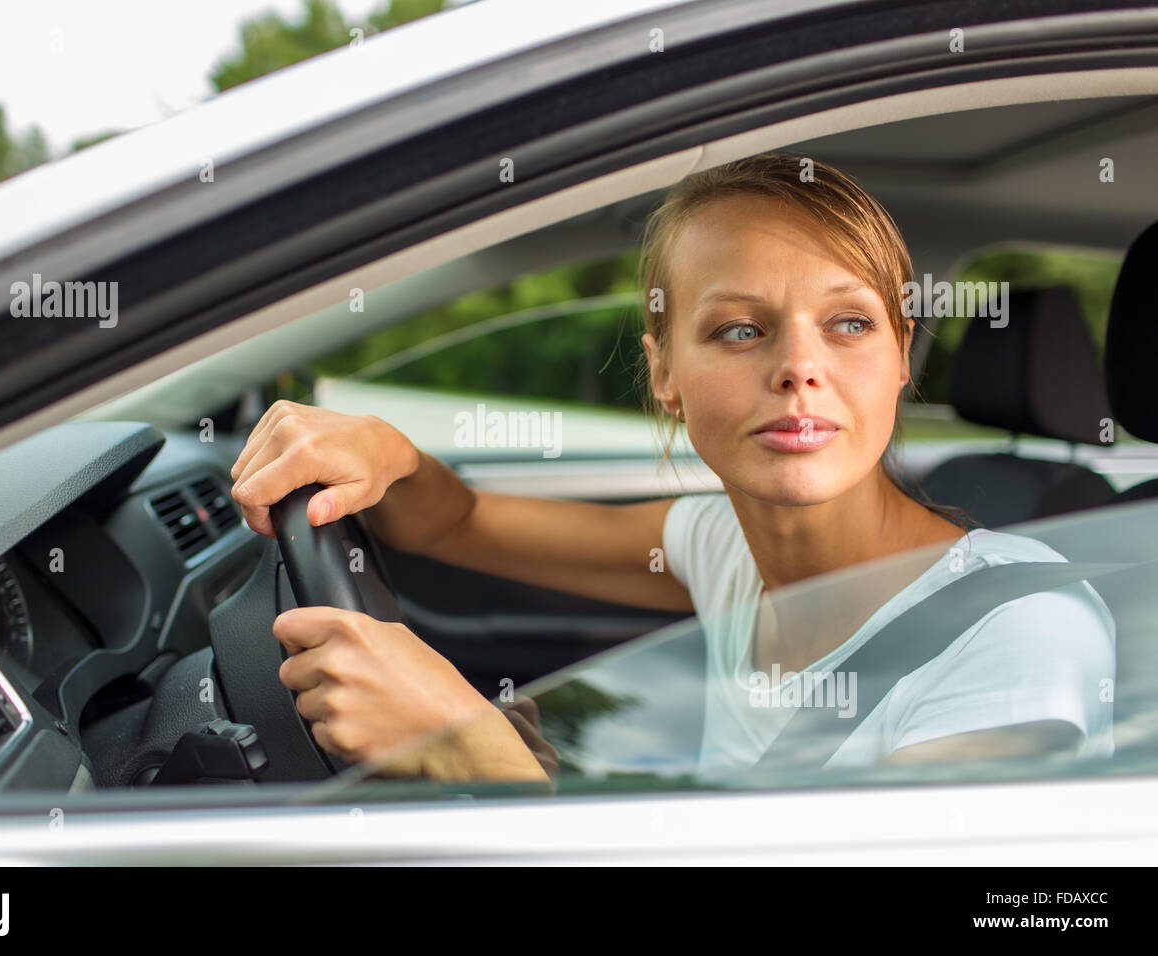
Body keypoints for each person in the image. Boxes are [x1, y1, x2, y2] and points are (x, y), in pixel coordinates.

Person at [228, 152, 1115, 783]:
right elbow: (453, 523)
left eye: (849, 324)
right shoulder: (720, 546)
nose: (798, 368)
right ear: (665, 373)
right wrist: (389, 451)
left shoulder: (1019, 637)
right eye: (740, 329)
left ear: (898, 359)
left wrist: (478, 754)